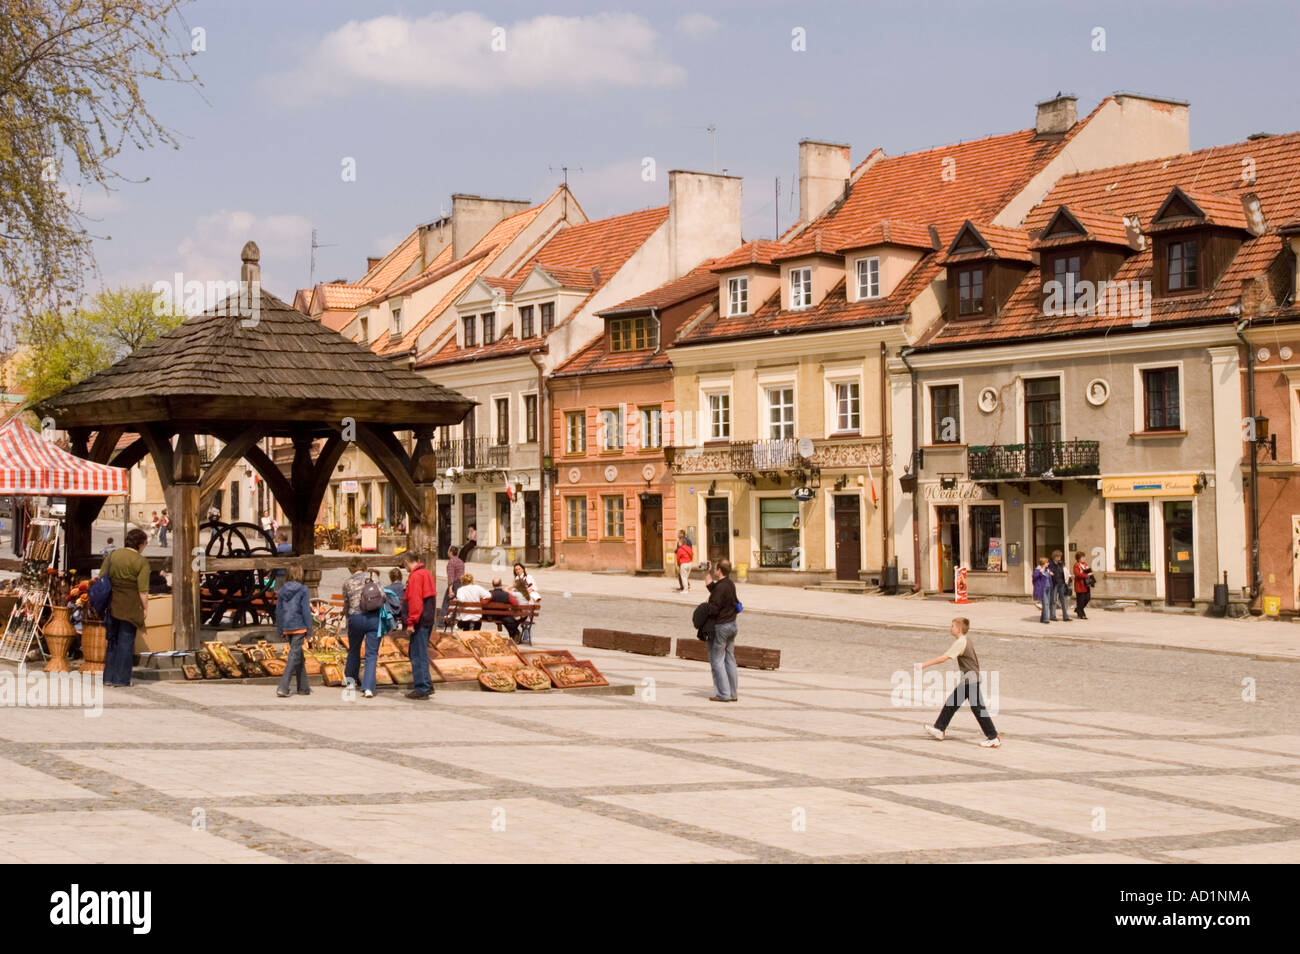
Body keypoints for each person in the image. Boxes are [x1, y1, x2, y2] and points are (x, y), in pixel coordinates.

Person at [920, 617, 1002, 747]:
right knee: (951, 703)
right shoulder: (965, 640)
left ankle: (993, 736)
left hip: (971, 681)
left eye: (952, 626)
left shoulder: (961, 642)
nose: (950, 628)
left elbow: (944, 657)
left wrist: (924, 664)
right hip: (969, 680)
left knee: (978, 709)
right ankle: (940, 729)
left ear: (958, 629)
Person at [99, 528, 150, 687]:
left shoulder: (112, 555)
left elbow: (101, 577)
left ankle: (108, 677)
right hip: (130, 605)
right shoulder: (141, 561)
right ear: (140, 544)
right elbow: (143, 590)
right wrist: (145, 608)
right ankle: (121, 679)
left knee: (112, 640)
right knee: (126, 642)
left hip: (112, 602)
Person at [402, 551, 437, 700]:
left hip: (420, 620)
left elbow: (415, 600)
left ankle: (422, 687)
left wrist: (411, 622)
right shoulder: (426, 573)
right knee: (421, 652)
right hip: (427, 618)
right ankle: (427, 683)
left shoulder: (416, 576)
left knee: (417, 654)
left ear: (406, 562)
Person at [275, 565, 313, 697]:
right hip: (299, 625)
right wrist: (309, 629)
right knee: (293, 656)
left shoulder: (281, 590)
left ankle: (303, 687)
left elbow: (278, 611)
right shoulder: (303, 590)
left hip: (287, 625)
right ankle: (283, 686)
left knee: (298, 655)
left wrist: (280, 628)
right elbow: (305, 611)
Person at [341, 558, 378, 690]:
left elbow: (346, 604)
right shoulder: (373, 577)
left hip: (355, 618)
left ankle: (350, 681)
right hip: (373, 617)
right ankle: (368, 687)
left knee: (354, 650)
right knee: (371, 654)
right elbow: (382, 596)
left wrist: (347, 618)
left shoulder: (347, 582)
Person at [704, 559, 738, 702]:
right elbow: (713, 587)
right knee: (729, 659)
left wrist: (705, 607)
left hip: (721, 627)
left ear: (719, 570)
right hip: (732, 625)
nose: (715, 571)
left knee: (717, 661)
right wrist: (706, 572)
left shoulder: (721, 587)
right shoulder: (729, 584)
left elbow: (713, 608)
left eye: (715, 569)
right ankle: (733, 693)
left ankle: (723, 694)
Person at [485, 576, 521, 642]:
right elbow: (515, 603)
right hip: (504, 615)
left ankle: (514, 635)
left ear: (493, 584)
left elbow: (483, 603)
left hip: (492, 616)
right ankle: (515, 634)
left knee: (507, 620)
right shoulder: (506, 594)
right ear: (501, 584)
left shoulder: (490, 593)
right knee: (508, 620)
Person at [512, 562, 539, 645]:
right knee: (521, 616)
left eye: (519, 569)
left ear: (523, 569)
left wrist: (525, 591)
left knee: (525, 616)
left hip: (528, 600)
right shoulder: (516, 578)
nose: (518, 571)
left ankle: (525, 635)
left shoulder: (528, 577)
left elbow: (534, 587)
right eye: (516, 569)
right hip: (521, 601)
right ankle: (524, 635)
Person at [441, 544, 465, 622]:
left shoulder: (451, 562)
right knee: (457, 603)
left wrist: (450, 589)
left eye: (448, 551)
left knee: (446, 603)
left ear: (450, 552)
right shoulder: (461, 561)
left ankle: (442, 621)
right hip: (461, 584)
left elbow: (450, 577)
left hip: (454, 585)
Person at [1048, 549, 1071, 622]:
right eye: (1058, 557)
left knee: (1064, 600)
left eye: (1060, 557)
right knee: (1054, 600)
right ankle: (1052, 616)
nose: (1059, 558)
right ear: (1054, 557)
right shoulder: (1050, 564)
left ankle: (1065, 616)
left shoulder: (1061, 564)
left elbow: (1064, 572)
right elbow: (1051, 573)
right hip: (1054, 584)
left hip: (1062, 583)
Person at [1073, 551, 1094, 619]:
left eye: (1084, 557)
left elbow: (1088, 571)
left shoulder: (1085, 564)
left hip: (1086, 584)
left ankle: (1078, 609)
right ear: (1078, 559)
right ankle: (1081, 614)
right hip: (1080, 585)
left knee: (1087, 598)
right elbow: (1078, 574)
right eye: (1082, 557)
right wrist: (1087, 575)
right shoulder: (1076, 565)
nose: (1084, 559)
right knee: (1081, 600)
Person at [1032, 556, 1053, 625]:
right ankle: (1046, 619)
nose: (1048, 564)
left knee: (1047, 603)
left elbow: (1049, 578)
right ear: (1043, 563)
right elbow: (1034, 577)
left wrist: (1050, 574)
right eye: (1047, 562)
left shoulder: (1047, 570)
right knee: (1045, 603)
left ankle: (1042, 618)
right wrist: (1040, 572)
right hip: (1042, 588)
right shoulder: (1038, 570)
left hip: (1048, 587)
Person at [385, 568, 405, 633]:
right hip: (404, 611)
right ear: (401, 576)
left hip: (392, 611)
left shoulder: (386, 589)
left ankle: (392, 625)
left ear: (391, 577)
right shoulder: (405, 587)